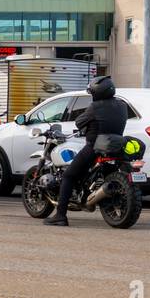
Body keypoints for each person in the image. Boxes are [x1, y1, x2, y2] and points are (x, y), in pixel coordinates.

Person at [45, 75, 126, 227]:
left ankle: (60, 215)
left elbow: (79, 121)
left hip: (95, 146)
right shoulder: (121, 105)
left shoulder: (95, 107)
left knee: (68, 176)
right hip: (115, 146)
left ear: (97, 92)